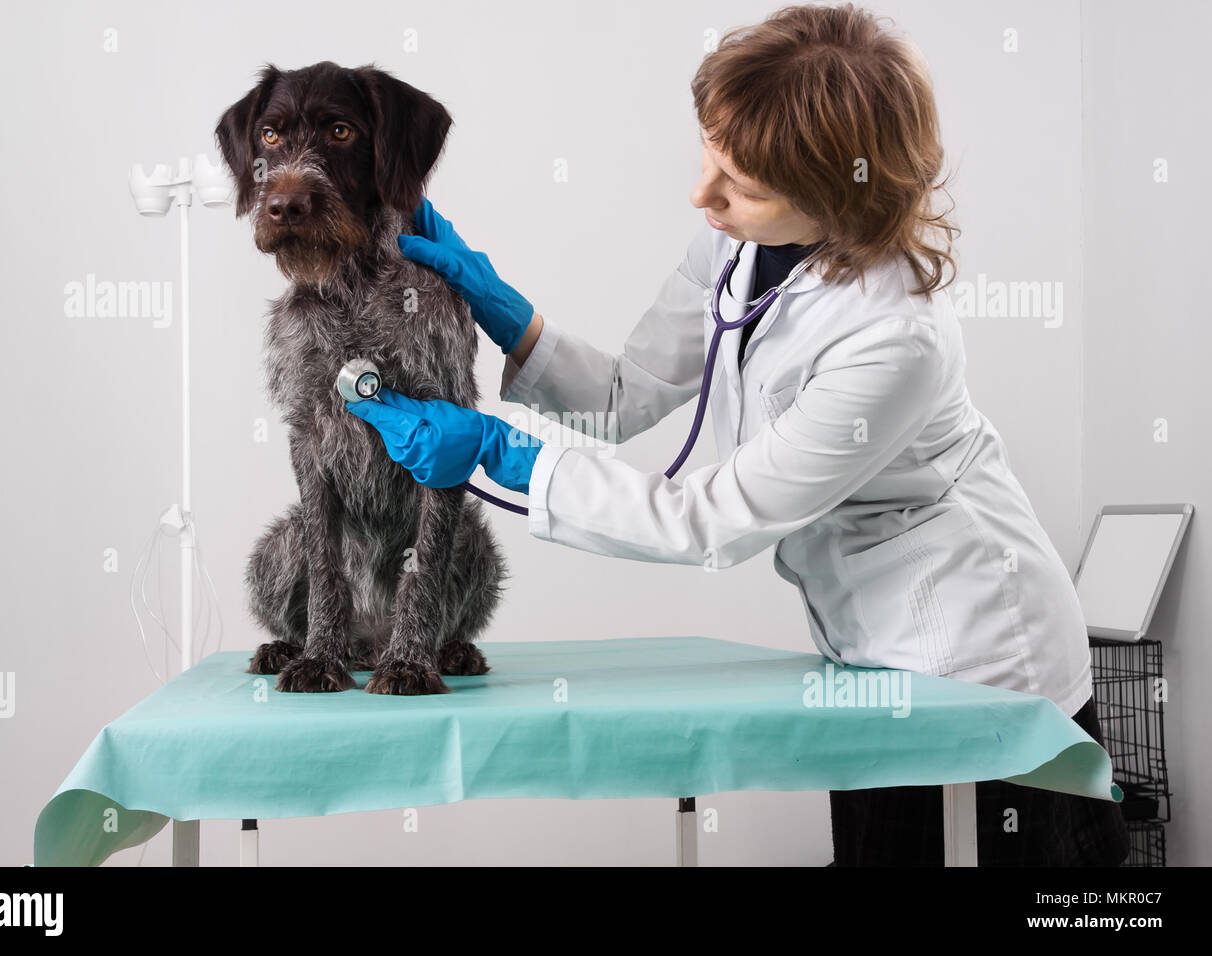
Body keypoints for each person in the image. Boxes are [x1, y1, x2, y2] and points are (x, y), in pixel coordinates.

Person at [345, 2, 1129, 866]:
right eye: (712, 160)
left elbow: (712, 522)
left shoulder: (894, 336)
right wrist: (505, 314)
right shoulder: (741, 246)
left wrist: (493, 453)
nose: (703, 196)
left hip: (974, 664)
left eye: (742, 186)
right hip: (865, 652)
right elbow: (623, 394)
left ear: (843, 194)